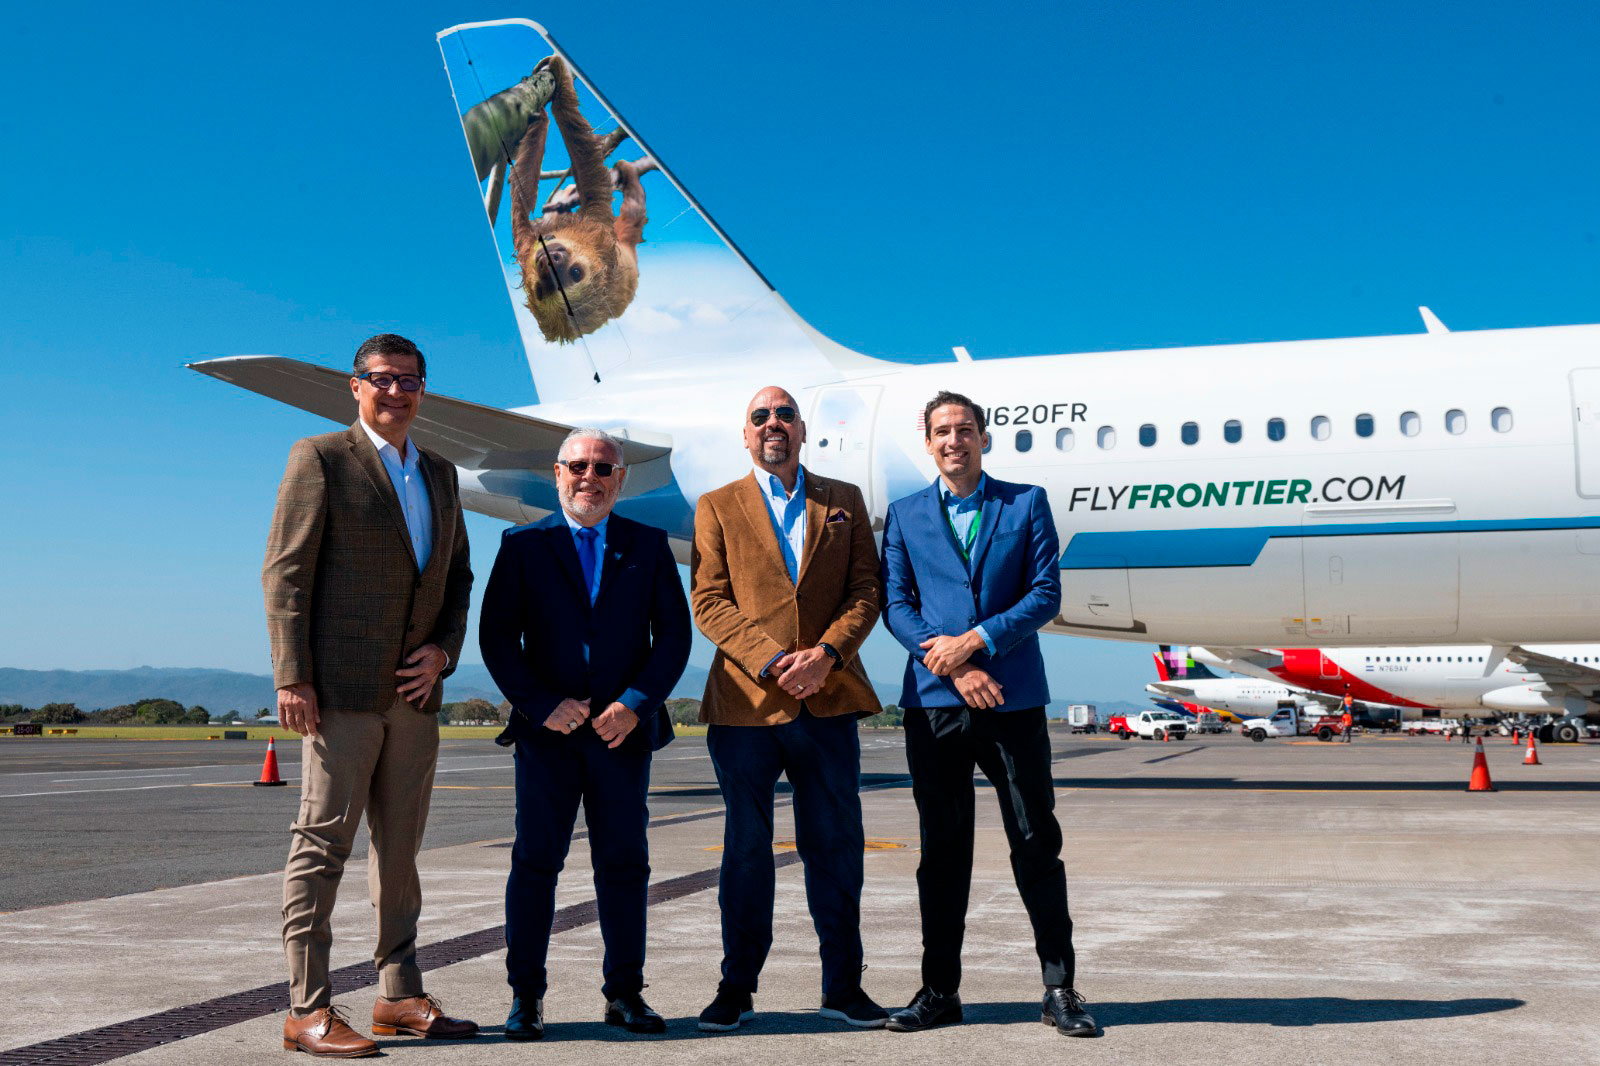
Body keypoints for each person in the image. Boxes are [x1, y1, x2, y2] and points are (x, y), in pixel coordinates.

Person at [265, 333, 476, 1057]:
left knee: (401, 854)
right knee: (322, 846)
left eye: (409, 381)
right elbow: (286, 575)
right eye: (381, 379)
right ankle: (307, 1009)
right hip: (341, 691)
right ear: (354, 386)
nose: (396, 392)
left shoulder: (443, 475)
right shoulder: (321, 459)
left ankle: (399, 994)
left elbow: (458, 582)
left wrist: (444, 652)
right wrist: (292, 675)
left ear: (423, 391)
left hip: (413, 699)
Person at [879, 390, 1098, 1037]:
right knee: (943, 853)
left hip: (1012, 700)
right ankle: (939, 991)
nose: (954, 440)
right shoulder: (904, 515)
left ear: (984, 437)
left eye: (965, 429)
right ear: (928, 441)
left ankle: (1060, 988)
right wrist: (954, 664)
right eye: (943, 431)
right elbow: (896, 604)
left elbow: (1045, 593)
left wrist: (978, 642)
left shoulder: (1024, 504)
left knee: (1035, 842)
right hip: (937, 706)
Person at [479, 428, 692, 1040]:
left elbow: (673, 638)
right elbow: (497, 638)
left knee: (625, 866)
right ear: (557, 473)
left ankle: (625, 993)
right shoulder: (522, 544)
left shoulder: (648, 545)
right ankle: (526, 997)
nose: (589, 478)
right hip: (547, 737)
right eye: (578, 467)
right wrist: (542, 705)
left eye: (603, 469)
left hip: (621, 737)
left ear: (621, 480)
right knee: (535, 864)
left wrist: (634, 704)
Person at [689, 386, 887, 1031]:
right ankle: (736, 988)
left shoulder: (843, 502)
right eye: (760, 417)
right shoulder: (716, 507)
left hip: (827, 702)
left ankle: (844, 987)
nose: (773, 424)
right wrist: (776, 660)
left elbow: (867, 590)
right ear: (745, 435)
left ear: (804, 431)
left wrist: (826, 654)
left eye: (785, 415)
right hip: (747, 705)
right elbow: (709, 602)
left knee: (836, 849)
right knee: (746, 851)